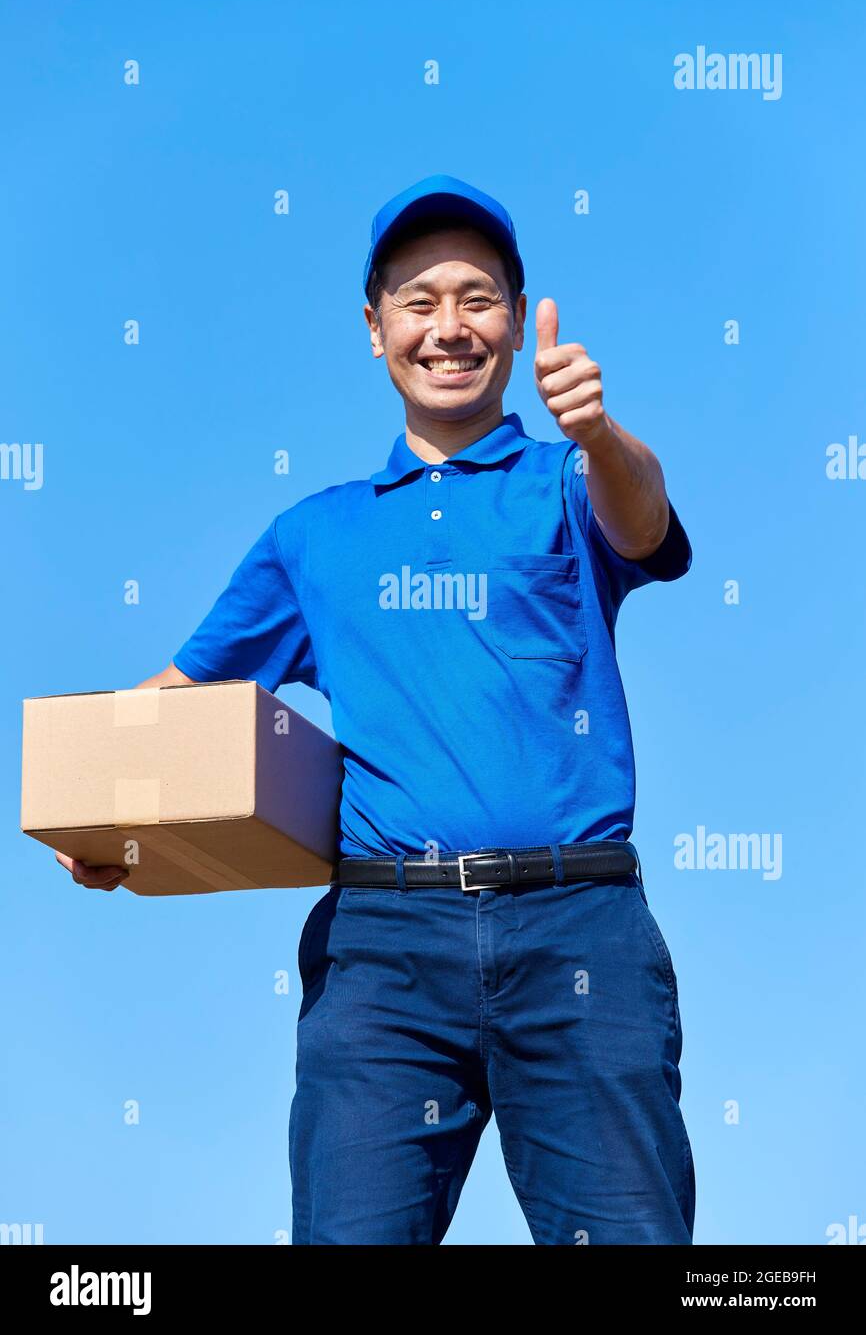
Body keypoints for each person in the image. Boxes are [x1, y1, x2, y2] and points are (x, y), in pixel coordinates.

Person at [58, 175, 696, 1245]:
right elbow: (179, 696)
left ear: (514, 314)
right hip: (383, 950)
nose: (449, 326)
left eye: (477, 297)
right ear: (374, 329)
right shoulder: (314, 536)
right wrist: (97, 810)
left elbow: (644, 524)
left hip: (577, 926)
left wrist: (595, 433)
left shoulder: (564, 485)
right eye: (417, 300)